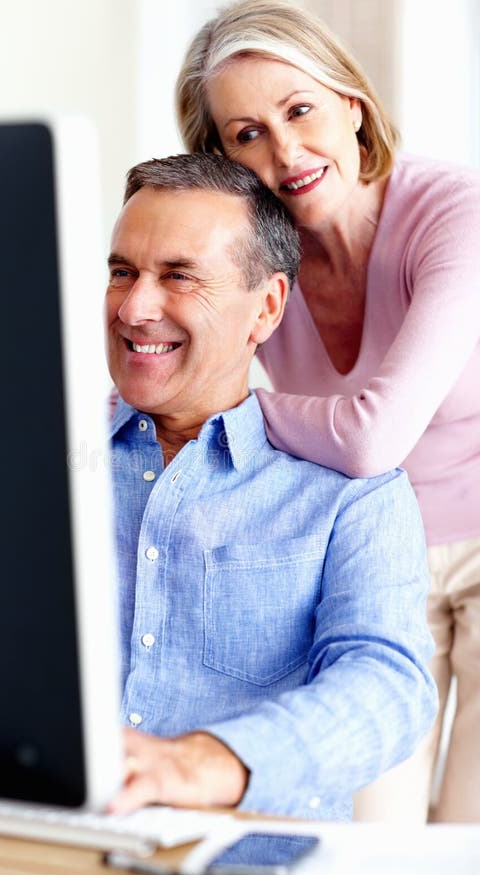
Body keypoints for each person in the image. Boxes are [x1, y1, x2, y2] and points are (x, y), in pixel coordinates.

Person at [175, 0, 480, 824]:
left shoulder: (456, 213)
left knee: (467, 840)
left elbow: (374, 435)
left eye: (300, 109)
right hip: (378, 555)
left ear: (352, 103)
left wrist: (239, 414)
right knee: (370, 838)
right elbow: (181, 371)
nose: (284, 151)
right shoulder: (257, 257)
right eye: (246, 134)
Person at [104, 151, 436, 820]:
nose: (136, 308)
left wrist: (211, 762)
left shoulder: (352, 495)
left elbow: (388, 684)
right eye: (122, 272)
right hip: (33, 849)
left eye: (178, 276)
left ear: (267, 307)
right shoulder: (39, 462)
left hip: (246, 863)